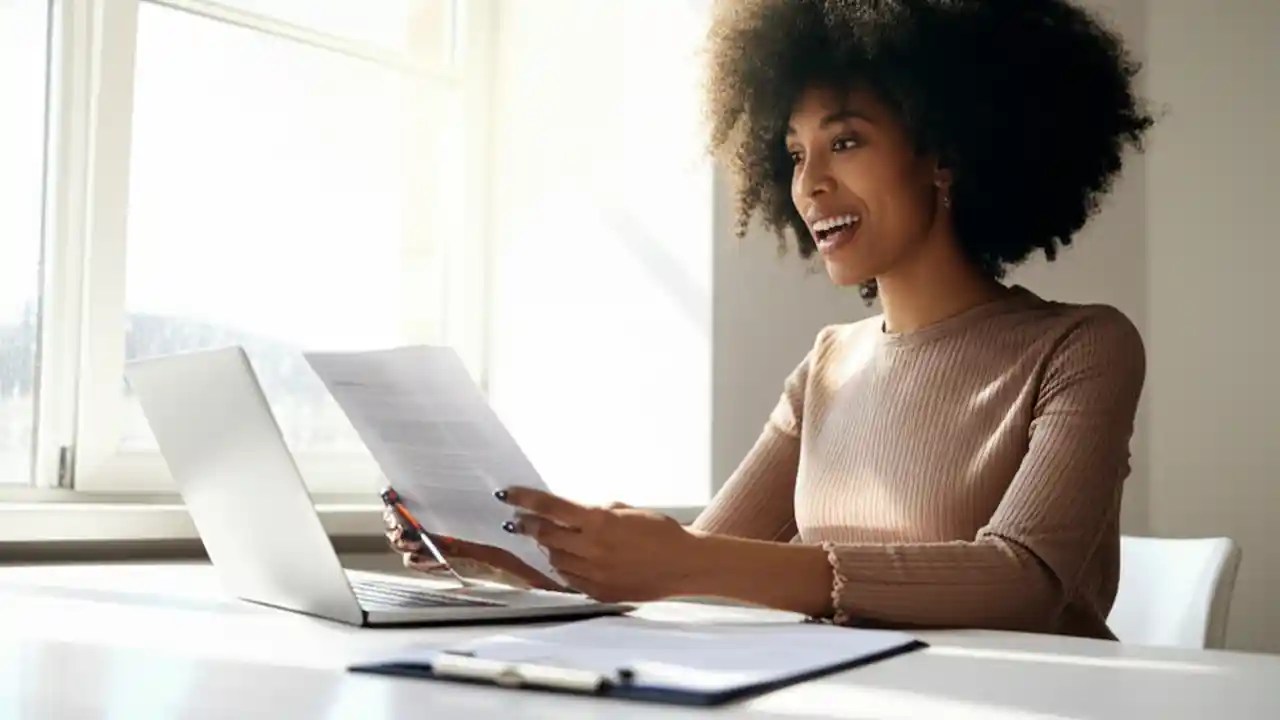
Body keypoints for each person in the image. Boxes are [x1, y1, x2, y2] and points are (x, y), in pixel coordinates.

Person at [386, 0, 1153, 638]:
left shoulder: (1083, 346)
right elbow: (695, 562)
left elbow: (1023, 582)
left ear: (945, 154)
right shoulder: (828, 363)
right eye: (793, 153)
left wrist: (689, 560)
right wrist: (495, 550)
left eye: (845, 142)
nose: (810, 185)